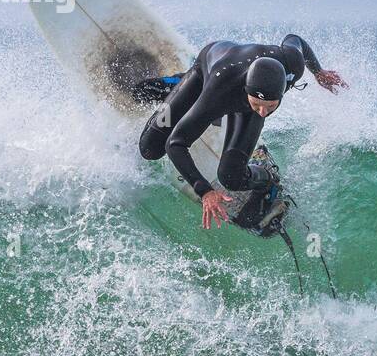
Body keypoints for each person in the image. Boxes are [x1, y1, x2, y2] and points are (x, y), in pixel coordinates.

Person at [137, 34, 346, 228]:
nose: (264, 113)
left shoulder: (292, 64)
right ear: (247, 91)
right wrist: (205, 192)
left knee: (231, 178)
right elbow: (176, 144)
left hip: (244, 95)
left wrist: (318, 72)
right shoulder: (219, 92)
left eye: (272, 106)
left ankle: (269, 179)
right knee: (150, 149)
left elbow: (295, 40)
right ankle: (179, 83)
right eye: (258, 105)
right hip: (211, 70)